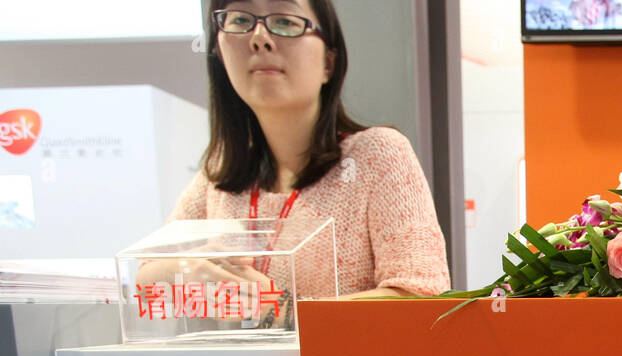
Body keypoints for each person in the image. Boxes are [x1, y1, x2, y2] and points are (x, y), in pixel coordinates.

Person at [151, 0, 450, 318]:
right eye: (240, 20)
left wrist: (283, 312)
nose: (259, 38)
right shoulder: (219, 175)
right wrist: (186, 268)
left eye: (285, 21)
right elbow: (145, 273)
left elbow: (422, 294)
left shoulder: (376, 155)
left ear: (329, 63)